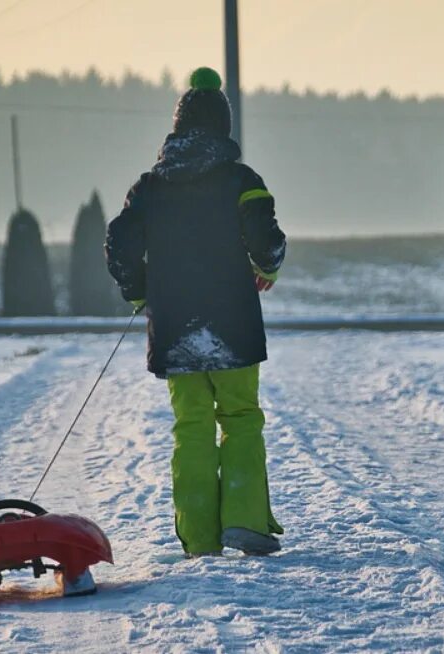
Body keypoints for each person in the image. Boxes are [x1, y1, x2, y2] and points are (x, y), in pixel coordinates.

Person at [105, 67, 286, 557]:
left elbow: (119, 243)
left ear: (178, 128)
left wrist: (139, 293)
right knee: (241, 416)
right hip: (234, 324)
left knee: (192, 425)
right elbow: (267, 242)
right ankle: (246, 522)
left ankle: (200, 537)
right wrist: (267, 266)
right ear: (224, 129)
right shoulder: (242, 181)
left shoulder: (149, 188)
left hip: (174, 327)